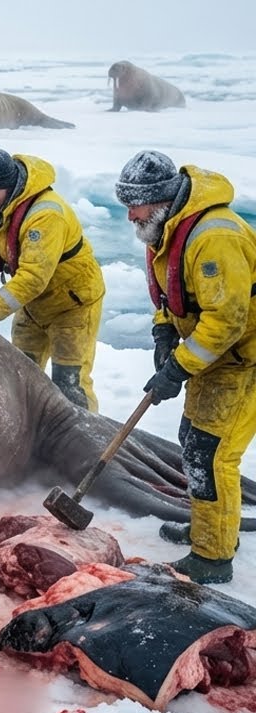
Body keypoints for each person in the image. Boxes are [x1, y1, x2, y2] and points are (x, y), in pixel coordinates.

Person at [115, 150, 256, 584]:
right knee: (191, 440)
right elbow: (171, 296)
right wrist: (163, 334)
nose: (130, 216)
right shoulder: (166, 231)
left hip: (244, 359)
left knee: (211, 454)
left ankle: (213, 557)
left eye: (135, 206)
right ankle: (208, 527)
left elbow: (227, 320)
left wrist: (178, 368)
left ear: (160, 200)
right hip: (215, 357)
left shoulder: (214, 237)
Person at [0, 147, 106, 410]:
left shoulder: (46, 215)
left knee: (69, 384)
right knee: (20, 377)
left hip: (72, 306)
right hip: (32, 305)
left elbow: (33, 278)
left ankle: (86, 434)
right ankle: (31, 432)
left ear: (6, 187)